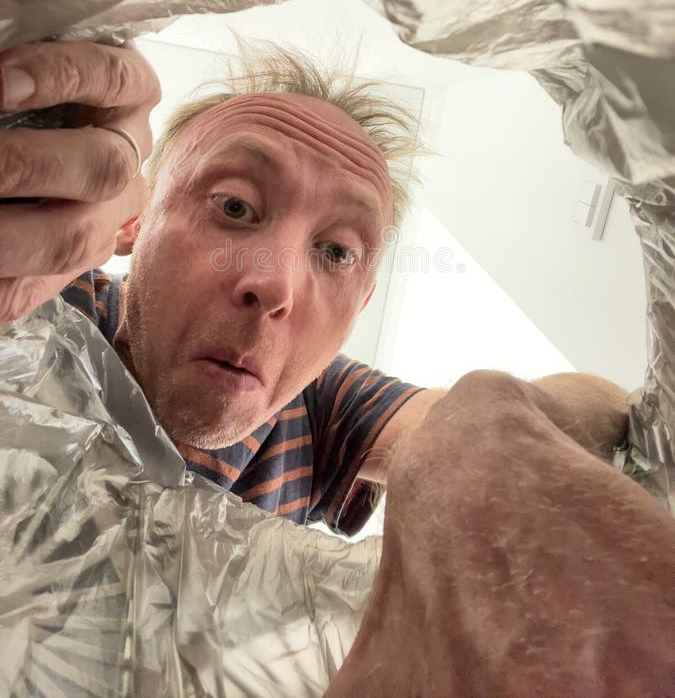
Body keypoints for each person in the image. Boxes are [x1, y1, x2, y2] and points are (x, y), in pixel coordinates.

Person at [1, 39, 673, 694]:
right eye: (234, 206)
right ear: (133, 221)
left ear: (360, 308)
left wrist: (492, 431)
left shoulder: (320, 407)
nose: (277, 286)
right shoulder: (44, 302)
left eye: (336, 252)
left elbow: (597, 403)